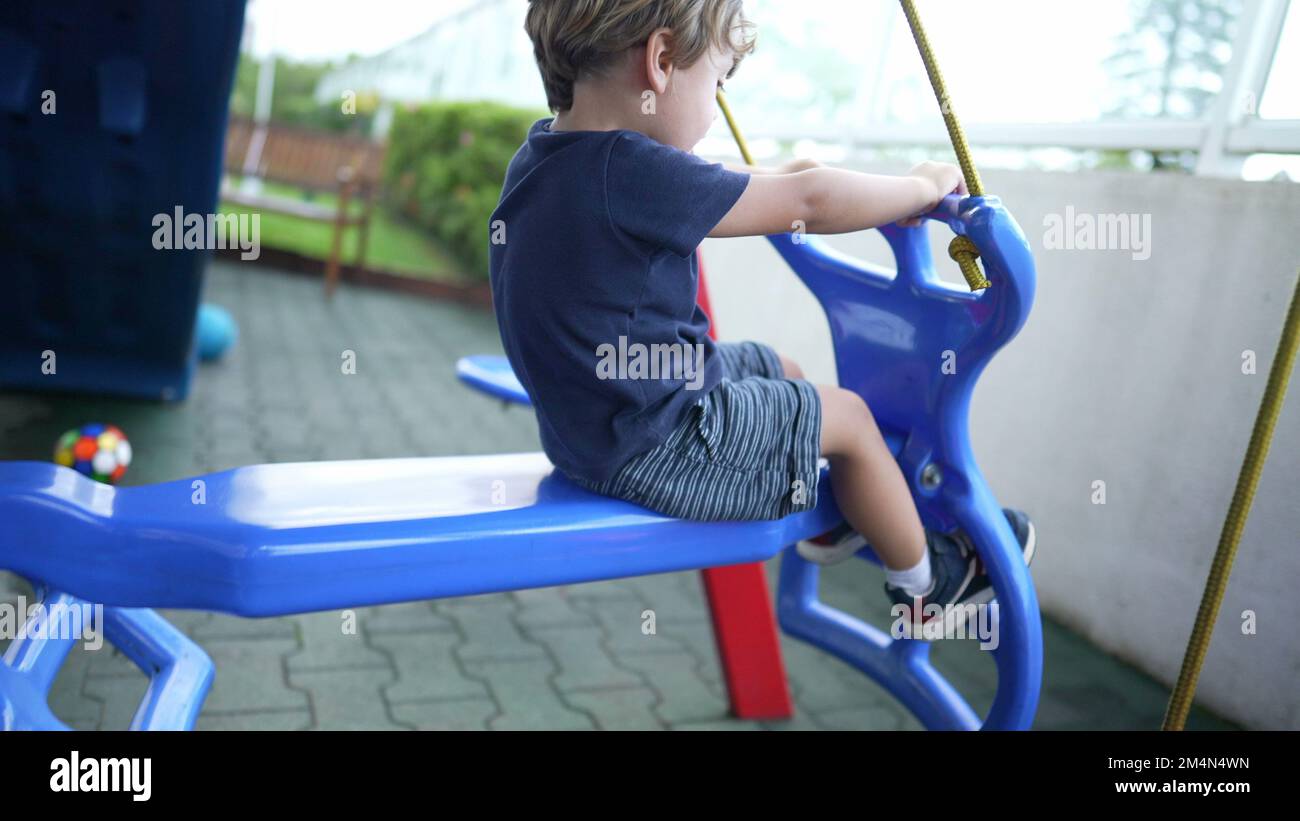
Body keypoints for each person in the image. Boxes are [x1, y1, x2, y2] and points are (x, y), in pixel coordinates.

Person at [490, 0, 1034, 637]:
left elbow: (739, 182)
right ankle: (928, 586)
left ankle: (835, 518)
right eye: (717, 85)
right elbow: (810, 202)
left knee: (783, 368)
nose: (716, 105)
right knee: (851, 419)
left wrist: (787, 172)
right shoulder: (630, 172)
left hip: (590, 432)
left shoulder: (550, 156)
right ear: (661, 62)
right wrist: (916, 189)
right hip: (657, 446)